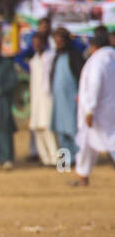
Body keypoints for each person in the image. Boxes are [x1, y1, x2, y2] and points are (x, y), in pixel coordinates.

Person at [70, 28, 115, 186]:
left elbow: (95, 85)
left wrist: (90, 110)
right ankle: (83, 176)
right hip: (108, 108)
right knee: (86, 142)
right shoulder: (111, 59)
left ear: (94, 46)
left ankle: (82, 176)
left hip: (98, 111)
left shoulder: (98, 61)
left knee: (110, 141)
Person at [50, 28, 84, 163]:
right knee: (62, 133)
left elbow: (82, 77)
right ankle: (64, 163)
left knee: (74, 132)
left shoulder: (75, 56)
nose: (58, 43)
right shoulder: (56, 57)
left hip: (72, 101)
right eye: (56, 41)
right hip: (59, 102)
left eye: (60, 41)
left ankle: (80, 161)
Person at [26, 33, 58, 166]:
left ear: (45, 43)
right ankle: (45, 159)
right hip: (36, 99)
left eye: (39, 42)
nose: (36, 45)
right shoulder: (33, 61)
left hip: (48, 98)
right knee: (37, 129)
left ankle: (57, 159)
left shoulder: (51, 57)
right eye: (34, 42)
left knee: (50, 130)